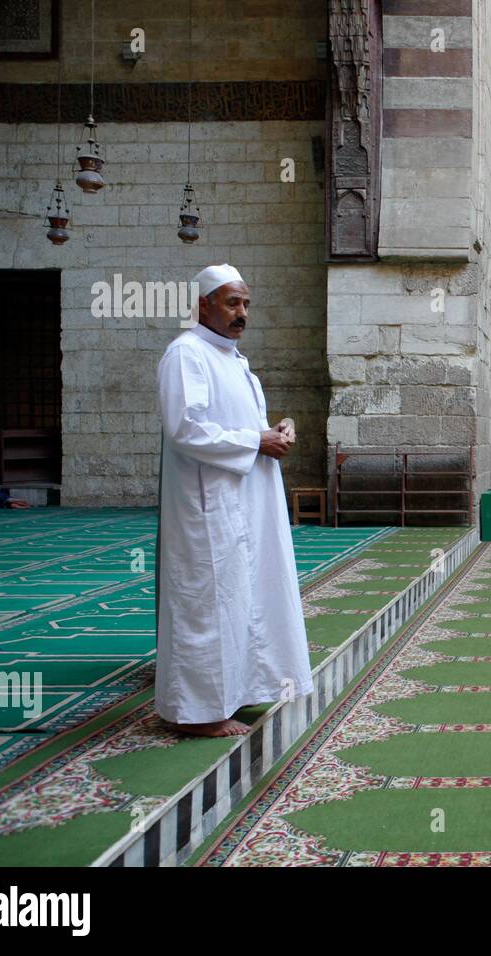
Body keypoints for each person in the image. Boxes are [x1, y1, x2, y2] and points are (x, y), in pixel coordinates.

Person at [154, 264, 312, 737]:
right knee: (207, 603)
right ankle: (195, 713)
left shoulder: (234, 360)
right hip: (208, 507)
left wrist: (277, 431)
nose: (242, 312)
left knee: (245, 596)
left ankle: (238, 692)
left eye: (245, 303)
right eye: (231, 303)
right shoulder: (185, 354)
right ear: (203, 305)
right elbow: (186, 428)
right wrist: (255, 440)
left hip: (245, 502)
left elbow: (242, 423)